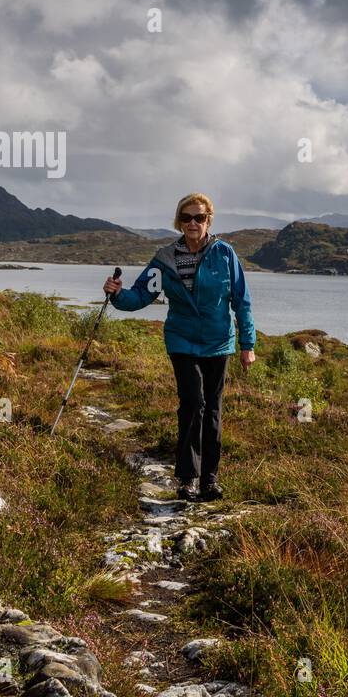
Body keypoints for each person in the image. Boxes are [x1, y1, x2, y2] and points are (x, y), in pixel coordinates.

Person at [103, 193, 256, 501]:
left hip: (218, 343)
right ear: (179, 221)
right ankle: (187, 478)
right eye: (186, 218)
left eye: (199, 217)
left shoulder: (225, 254)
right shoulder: (165, 258)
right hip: (181, 341)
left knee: (212, 410)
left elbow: (241, 301)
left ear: (209, 220)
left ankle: (209, 480)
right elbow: (141, 295)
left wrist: (247, 344)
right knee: (193, 404)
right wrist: (118, 295)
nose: (192, 223)